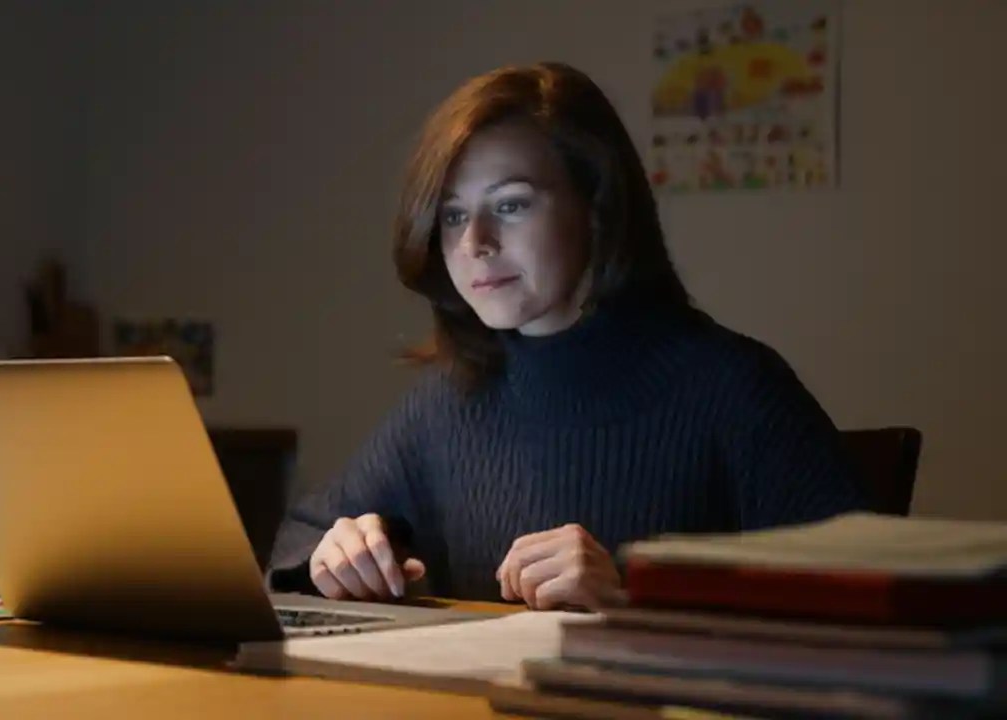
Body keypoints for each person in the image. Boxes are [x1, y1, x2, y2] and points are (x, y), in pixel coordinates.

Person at [267, 62, 863, 610]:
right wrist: (335, 556)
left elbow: (864, 605)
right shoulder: (445, 404)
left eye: (512, 205)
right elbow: (299, 540)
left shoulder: (735, 389)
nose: (474, 242)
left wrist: (631, 596)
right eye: (452, 215)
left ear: (597, 208)